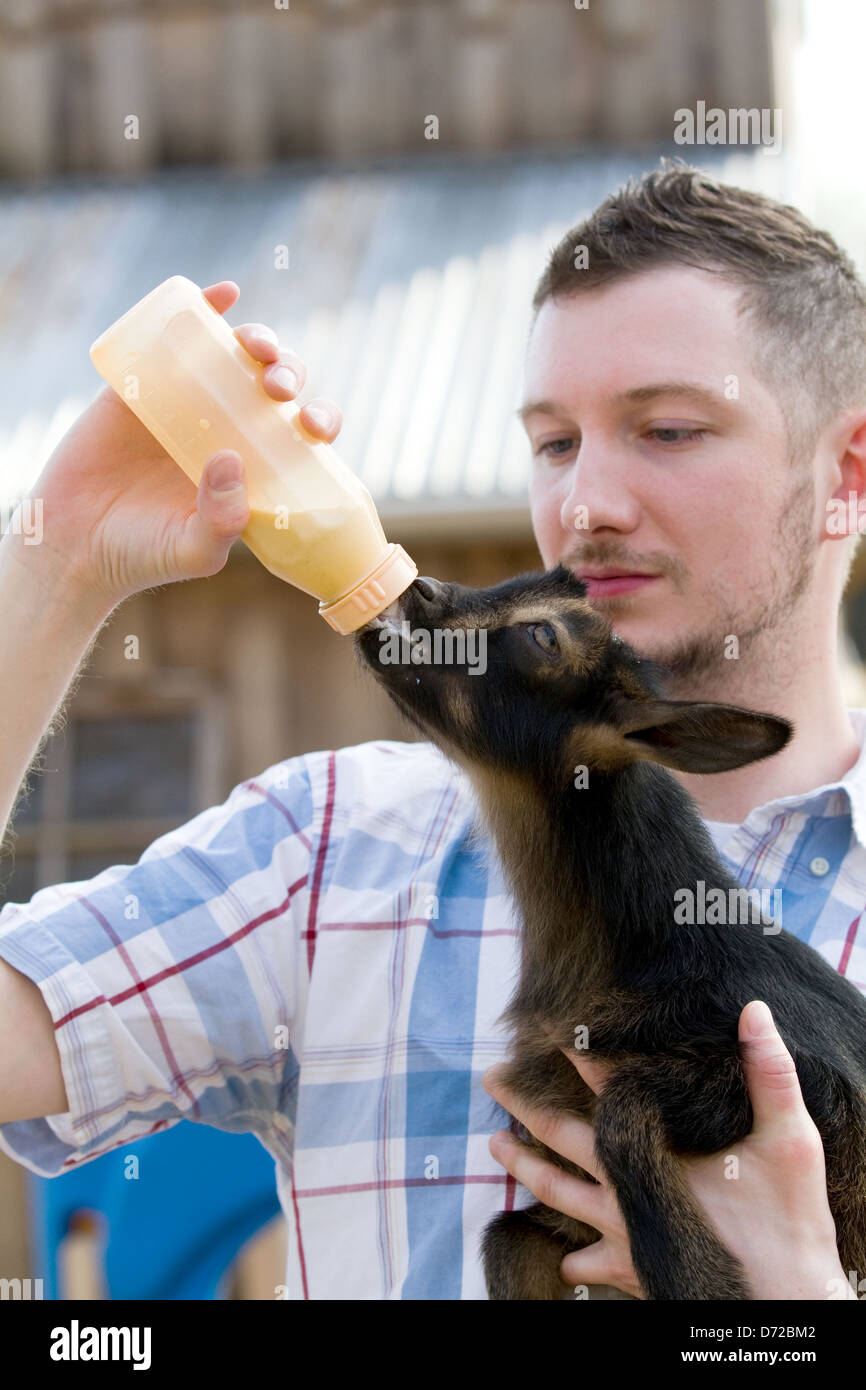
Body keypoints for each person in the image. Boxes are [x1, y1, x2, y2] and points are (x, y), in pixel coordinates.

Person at [0, 162, 862, 1301]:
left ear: (846, 472)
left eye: (664, 428)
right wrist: (57, 561)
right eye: (553, 443)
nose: (585, 503)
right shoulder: (329, 855)